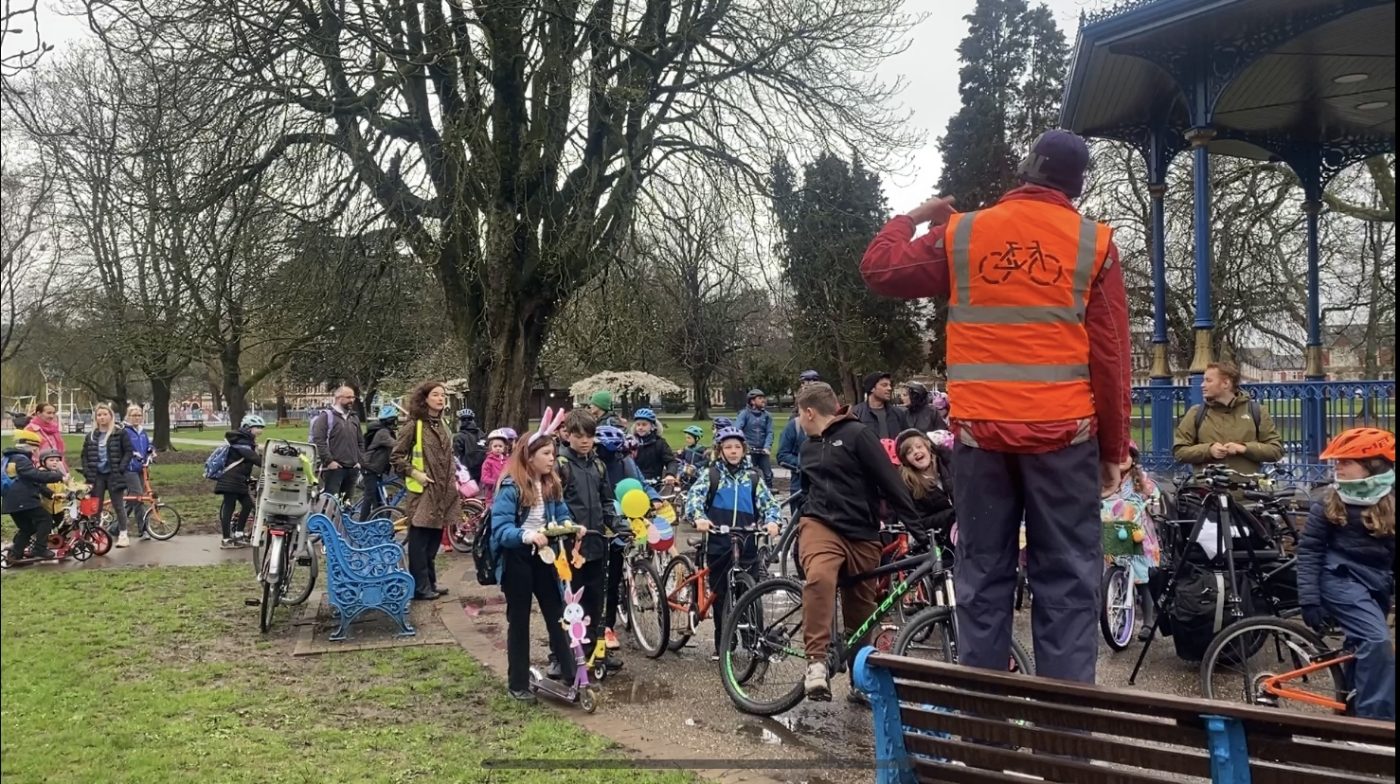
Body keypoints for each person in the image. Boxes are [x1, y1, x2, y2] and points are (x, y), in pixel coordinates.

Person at [858, 128, 1132, 685]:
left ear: (1026, 169)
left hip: (982, 441)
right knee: (1068, 581)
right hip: (1064, 441)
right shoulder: (1094, 244)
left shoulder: (964, 234)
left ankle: (982, 729)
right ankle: (1066, 741)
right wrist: (1113, 449)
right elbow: (1110, 358)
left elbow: (879, 269)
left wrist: (917, 214)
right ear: (1076, 185)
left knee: (981, 577)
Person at [793, 383, 927, 702]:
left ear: (810, 412)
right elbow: (805, 490)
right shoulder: (807, 447)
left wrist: (918, 530)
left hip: (862, 533)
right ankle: (815, 665)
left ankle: (858, 678)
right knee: (821, 578)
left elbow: (891, 483)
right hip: (821, 525)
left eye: (799, 414)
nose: (799, 420)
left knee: (862, 610)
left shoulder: (858, 434)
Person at [1296, 427, 1395, 721]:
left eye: (1346, 462)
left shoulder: (1389, 500)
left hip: (1375, 583)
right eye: (1336, 462)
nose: (1337, 467)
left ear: (1372, 466)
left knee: (1361, 647)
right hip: (1339, 579)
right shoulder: (1328, 501)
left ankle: (1353, 714)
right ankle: (1374, 725)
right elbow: (1310, 551)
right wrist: (1310, 600)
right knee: (1377, 642)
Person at [488, 425, 578, 702]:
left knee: (558, 614)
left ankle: (571, 673)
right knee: (519, 619)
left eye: (553, 452)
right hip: (518, 558)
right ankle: (517, 683)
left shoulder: (550, 483)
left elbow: (562, 514)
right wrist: (527, 535)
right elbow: (501, 529)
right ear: (529, 456)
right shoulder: (510, 486)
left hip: (544, 556)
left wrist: (572, 527)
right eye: (547, 453)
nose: (553, 458)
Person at [684, 426, 781, 660]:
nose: (733, 451)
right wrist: (699, 518)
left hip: (747, 541)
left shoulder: (753, 477)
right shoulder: (712, 475)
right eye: (728, 447)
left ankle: (752, 640)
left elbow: (769, 504)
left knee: (749, 592)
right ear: (720, 450)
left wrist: (772, 521)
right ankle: (724, 643)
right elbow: (694, 499)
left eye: (737, 447)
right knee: (721, 593)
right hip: (719, 541)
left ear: (744, 449)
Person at [554, 410, 623, 672]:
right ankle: (563, 655)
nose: (585, 441)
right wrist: (569, 527)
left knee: (597, 600)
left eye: (590, 436)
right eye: (579, 436)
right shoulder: (560, 465)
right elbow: (556, 503)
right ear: (568, 435)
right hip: (569, 548)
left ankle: (596, 650)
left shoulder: (598, 465)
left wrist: (617, 524)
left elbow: (606, 500)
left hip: (596, 545)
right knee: (570, 602)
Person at [390, 381, 456, 600]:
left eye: (443, 396)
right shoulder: (414, 425)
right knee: (419, 541)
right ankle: (420, 587)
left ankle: (431, 582)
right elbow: (396, 457)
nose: (440, 399)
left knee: (433, 540)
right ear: (425, 398)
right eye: (435, 395)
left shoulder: (442, 424)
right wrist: (415, 473)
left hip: (442, 492)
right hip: (422, 492)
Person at [1172, 361, 1283, 476]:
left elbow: (1276, 450)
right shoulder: (1196, 413)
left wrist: (1244, 448)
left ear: (1226, 383)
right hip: (1207, 490)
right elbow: (1179, 452)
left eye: (1208, 380)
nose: (1202, 385)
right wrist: (1208, 450)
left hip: (1246, 489)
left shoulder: (1256, 411)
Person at [1102, 441, 1162, 641]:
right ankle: (1118, 621)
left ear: (1134, 458)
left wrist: (1154, 503)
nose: (1121, 459)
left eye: (1125, 454)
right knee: (1115, 576)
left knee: (1142, 579)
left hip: (1139, 535)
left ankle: (1148, 621)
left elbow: (1154, 496)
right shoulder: (1105, 478)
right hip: (1114, 532)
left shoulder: (1140, 479)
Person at [595, 423, 648, 646]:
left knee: (615, 575)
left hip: (620, 521)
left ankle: (608, 625)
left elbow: (640, 485)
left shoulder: (626, 463)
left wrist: (652, 498)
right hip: (596, 526)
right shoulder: (593, 466)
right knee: (599, 580)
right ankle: (598, 626)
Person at [3, 430, 65, 560]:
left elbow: (28, 480)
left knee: (27, 527)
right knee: (45, 519)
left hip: (11, 501)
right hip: (23, 499)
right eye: (37, 448)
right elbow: (35, 476)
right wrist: (57, 476)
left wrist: (49, 493)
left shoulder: (9, 458)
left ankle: (15, 553)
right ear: (31, 447)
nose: (37, 452)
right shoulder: (22, 460)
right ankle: (40, 549)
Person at [81, 404, 136, 548]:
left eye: (105, 414)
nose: (102, 417)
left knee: (118, 505)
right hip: (97, 475)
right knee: (95, 507)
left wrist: (121, 467)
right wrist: (87, 471)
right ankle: (95, 534)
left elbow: (128, 451)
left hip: (114, 474)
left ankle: (123, 534)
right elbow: (85, 455)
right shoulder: (91, 436)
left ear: (110, 416)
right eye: (99, 415)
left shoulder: (119, 433)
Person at [895, 430, 956, 550]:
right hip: (942, 542)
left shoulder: (948, 464)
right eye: (909, 451)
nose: (916, 452)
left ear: (927, 447)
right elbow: (919, 522)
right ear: (906, 460)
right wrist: (950, 514)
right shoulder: (909, 485)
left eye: (919, 447)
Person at [214, 415, 264, 548]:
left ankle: (238, 535)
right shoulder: (241, 442)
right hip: (230, 480)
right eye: (257, 428)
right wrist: (270, 464)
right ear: (248, 428)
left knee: (247, 505)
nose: (260, 430)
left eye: (261, 428)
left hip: (239, 480)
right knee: (229, 508)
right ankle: (226, 540)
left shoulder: (247, 441)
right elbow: (255, 459)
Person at [777, 370, 823, 504]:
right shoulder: (794, 424)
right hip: (800, 486)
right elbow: (782, 454)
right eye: (805, 385)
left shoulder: (830, 421)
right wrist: (803, 463)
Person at [310, 386, 364, 499]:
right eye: (348, 397)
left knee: (346, 504)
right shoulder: (326, 417)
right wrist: (329, 461)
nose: (352, 400)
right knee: (331, 503)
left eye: (353, 397)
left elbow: (360, 441)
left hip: (352, 468)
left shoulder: (354, 418)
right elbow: (319, 440)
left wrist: (359, 461)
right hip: (334, 469)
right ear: (338, 398)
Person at [360, 405, 399, 520]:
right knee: (370, 496)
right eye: (395, 419)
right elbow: (397, 445)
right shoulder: (383, 433)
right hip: (370, 467)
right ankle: (362, 523)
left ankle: (377, 520)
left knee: (378, 498)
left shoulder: (384, 430)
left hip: (375, 468)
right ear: (390, 420)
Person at [122, 405, 156, 538]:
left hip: (142, 468)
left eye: (139, 415)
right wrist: (132, 455)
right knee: (139, 498)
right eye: (134, 415)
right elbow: (125, 448)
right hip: (129, 468)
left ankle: (115, 526)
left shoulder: (142, 432)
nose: (137, 418)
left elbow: (148, 445)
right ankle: (144, 529)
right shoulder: (125, 431)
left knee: (132, 499)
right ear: (128, 417)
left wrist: (151, 450)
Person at [851, 372, 909, 444]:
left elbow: (907, 441)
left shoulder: (898, 414)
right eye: (884, 385)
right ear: (872, 388)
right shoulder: (856, 414)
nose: (889, 388)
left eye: (890, 385)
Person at [736, 389, 776, 486]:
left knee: (768, 475)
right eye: (760, 398)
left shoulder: (767, 416)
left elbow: (770, 432)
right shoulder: (744, 414)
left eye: (763, 398)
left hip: (762, 451)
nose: (763, 400)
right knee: (748, 474)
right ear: (752, 401)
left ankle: (768, 495)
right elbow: (737, 430)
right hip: (749, 450)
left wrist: (767, 446)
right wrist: (745, 445)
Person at [630, 408, 678, 486]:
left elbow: (671, 461)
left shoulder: (659, 443)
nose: (640, 427)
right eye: (638, 424)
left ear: (652, 426)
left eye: (644, 424)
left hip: (653, 483)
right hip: (634, 482)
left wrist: (670, 474)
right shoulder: (630, 443)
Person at [24, 402, 65, 468]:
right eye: (49, 413)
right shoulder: (31, 429)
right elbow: (28, 452)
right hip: (38, 469)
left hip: (56, 466)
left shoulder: (54, 429)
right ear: (39, 414)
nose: (52, 416)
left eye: (53, 413)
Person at [480, 429, 513, 507]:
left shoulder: (507, 460)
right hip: (492, 494)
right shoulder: (488, 461)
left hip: (505, 493)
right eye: (495, 446)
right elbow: (484, 478)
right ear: (491, 447)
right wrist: (497, 482)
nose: (498, 448)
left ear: (504, 447)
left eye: (500, 446)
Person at [453, 408, 486, 481]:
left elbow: (456, 455)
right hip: (483, 471)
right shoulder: (481, 434)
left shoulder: (459, 436)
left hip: (467, 473)